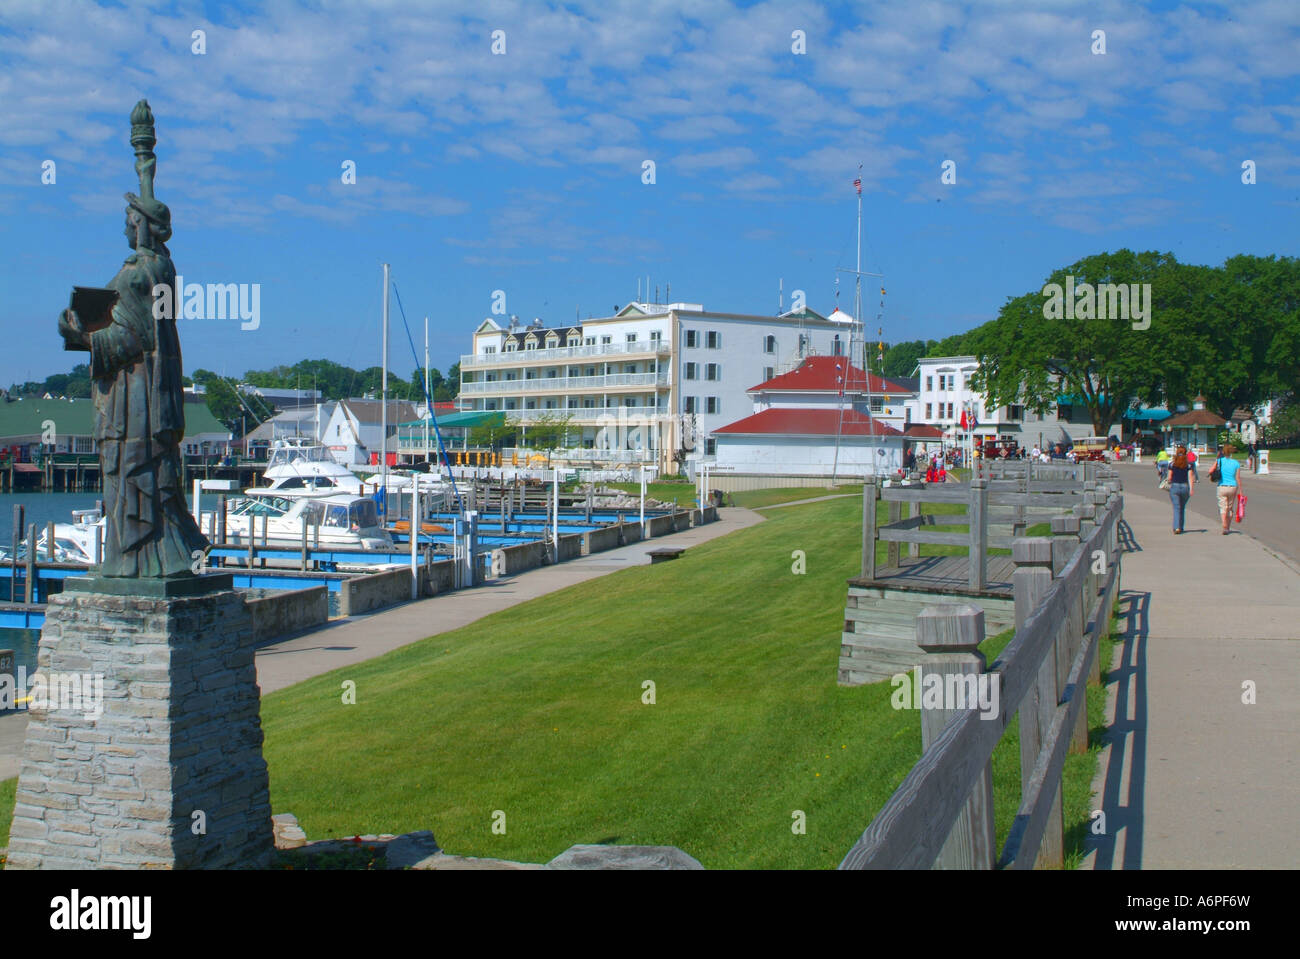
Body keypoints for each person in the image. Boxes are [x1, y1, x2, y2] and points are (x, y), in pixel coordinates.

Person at [1211, 444, 1243, 535]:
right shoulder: (1236, 463)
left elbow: (1211, 470)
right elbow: (1238, 478)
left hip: (1222, 486)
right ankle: (1228, 527)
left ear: (1223, 452)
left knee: (1223, 507)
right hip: (1233, 486)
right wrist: (1240, 490)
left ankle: (1224, 524)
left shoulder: (1219, 461)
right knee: (1229, 508)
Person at [1167, 444, 1196, 534]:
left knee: (1176, 507)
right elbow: (1190, 477)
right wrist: (1191, 489)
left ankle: (1176, 527)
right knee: (1182, 508)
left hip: (1174, 486)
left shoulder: (1172, 464)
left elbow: (1169, 477)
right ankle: (1181, 526)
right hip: (1185, 487)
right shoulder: (1188, 465)